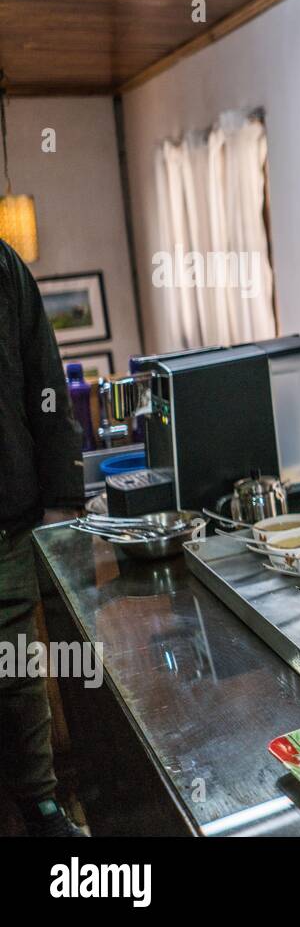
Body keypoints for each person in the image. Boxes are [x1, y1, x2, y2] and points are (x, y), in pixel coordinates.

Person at [0, 238, 87, 835]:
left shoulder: (3, 266)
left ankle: (42, 806)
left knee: (17, 669)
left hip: (7, 512)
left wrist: (61, 500)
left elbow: (45, 384)